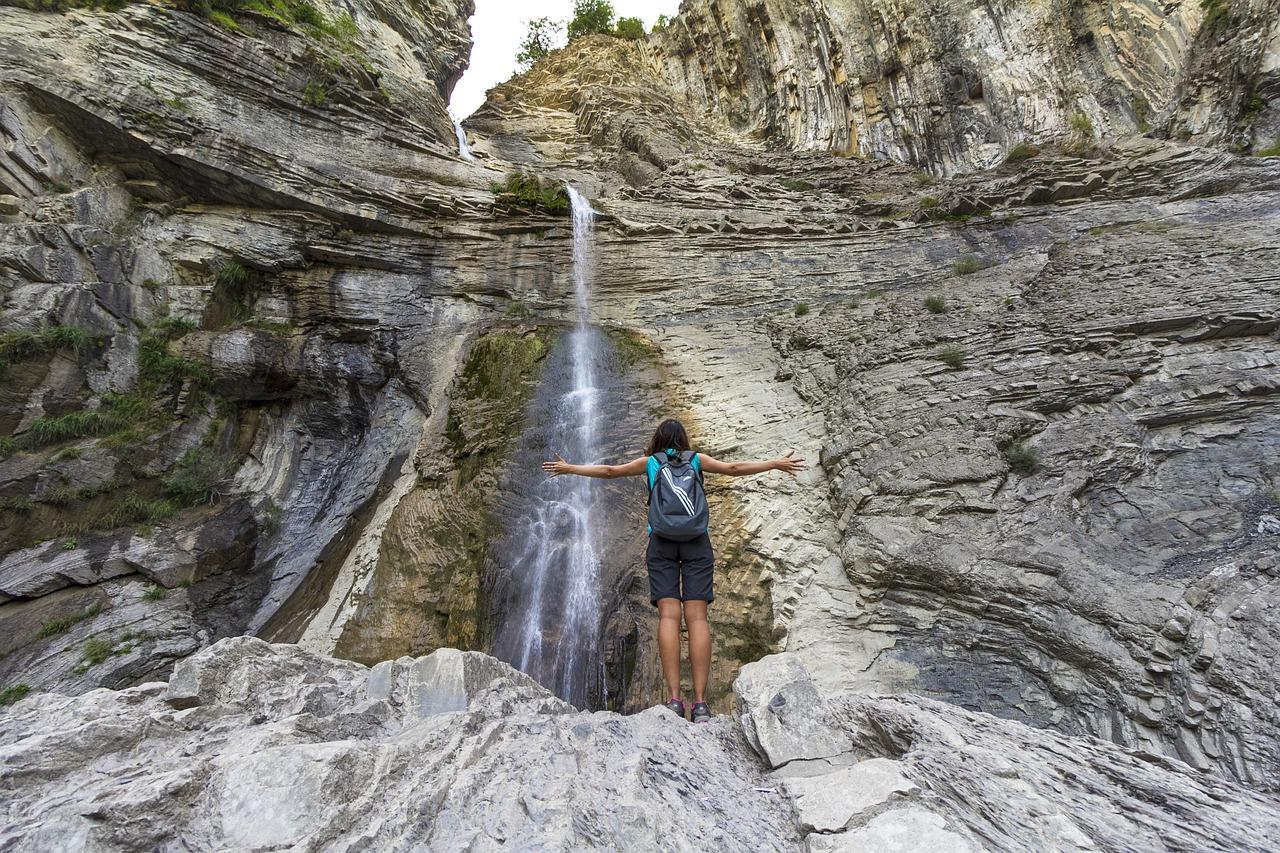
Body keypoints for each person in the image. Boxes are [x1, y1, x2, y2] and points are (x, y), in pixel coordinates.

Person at [541, 418, 805, 723]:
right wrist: (774, 463)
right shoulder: (696, 460)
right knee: (697, 618)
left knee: (668, 616)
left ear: (657, 440)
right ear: (683, 440)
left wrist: (570, 467)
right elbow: (733, 469)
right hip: (696, 543)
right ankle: (702, 704)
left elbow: (610, 472)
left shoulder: (651, 462)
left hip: (662, 543)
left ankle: (675, 701)